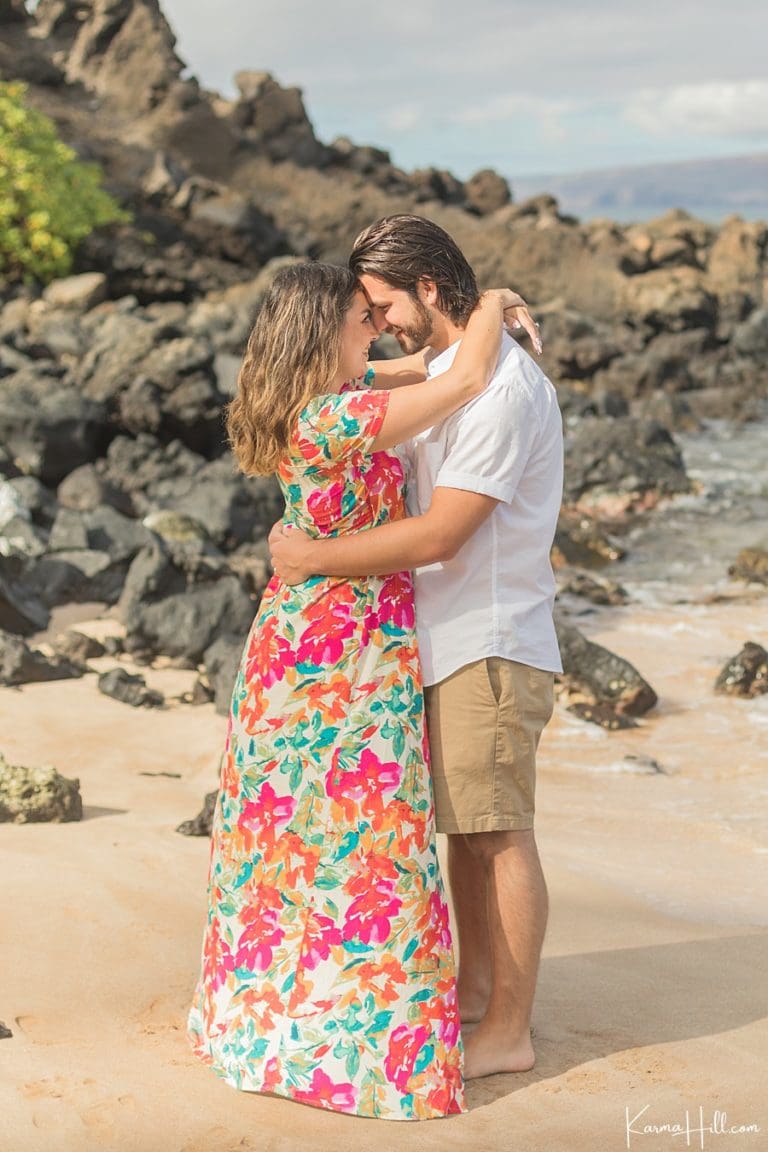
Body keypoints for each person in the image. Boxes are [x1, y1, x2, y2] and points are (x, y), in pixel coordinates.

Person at [187, 260, 532, 1120]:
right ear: (319, 331)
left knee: (290, 838)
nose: (371, 330)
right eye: (356, 318)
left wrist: (438, 342)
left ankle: (272, 1003)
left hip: (294, 642)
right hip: (343, 652)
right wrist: (491, 302)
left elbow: (425, 368)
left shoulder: (306, 400)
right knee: (365, 834)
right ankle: (358, 1029)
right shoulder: (342, 415)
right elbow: (474, 377)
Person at [269, 215, 564, 1081]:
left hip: (493, 638)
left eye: (385, 303)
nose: (380, 321)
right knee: (464, 834)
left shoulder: (504, 390)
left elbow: (441, 535)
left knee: (500, 834)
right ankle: (475, 999)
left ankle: (508, 1028)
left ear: (428, 290)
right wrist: (491, 306)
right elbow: (378, 375)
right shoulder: (444, 367)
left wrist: (309, 557)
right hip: (442, 639)